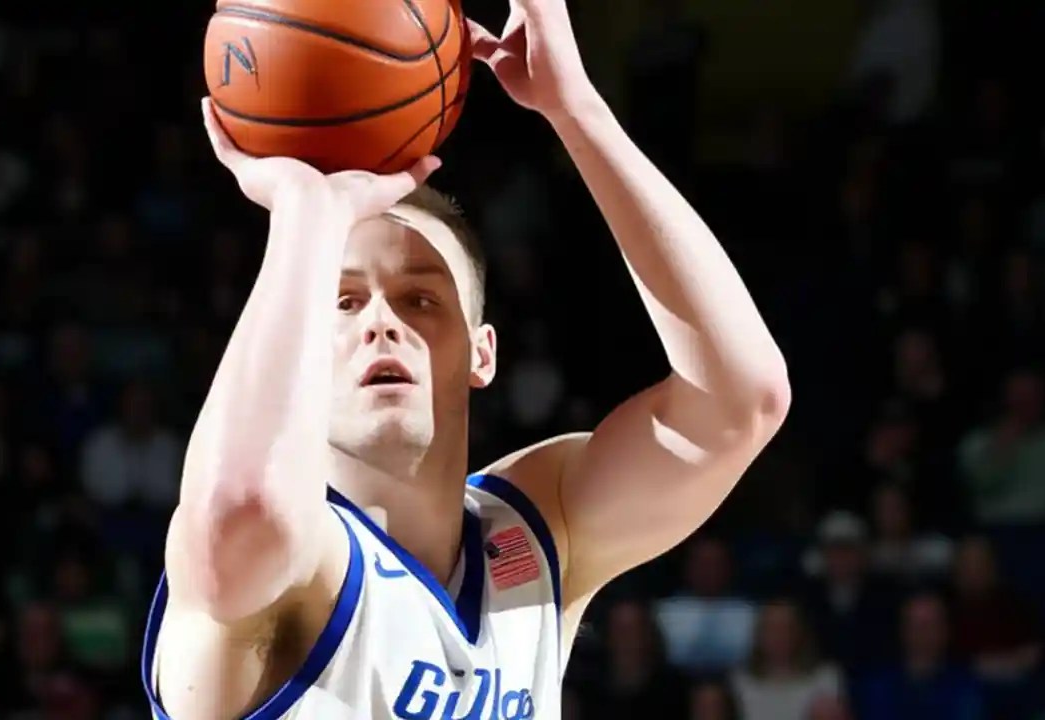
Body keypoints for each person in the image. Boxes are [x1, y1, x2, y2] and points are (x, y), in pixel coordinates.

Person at [140, 1, 790, 718]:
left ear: (482, 353)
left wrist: (577, 110)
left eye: (420, 300)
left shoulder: (540, 529)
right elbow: (241, 517)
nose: (381, 323)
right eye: (344, 302)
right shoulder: (295, 573)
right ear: (299, 356)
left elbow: (742, 401)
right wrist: (306, 211)